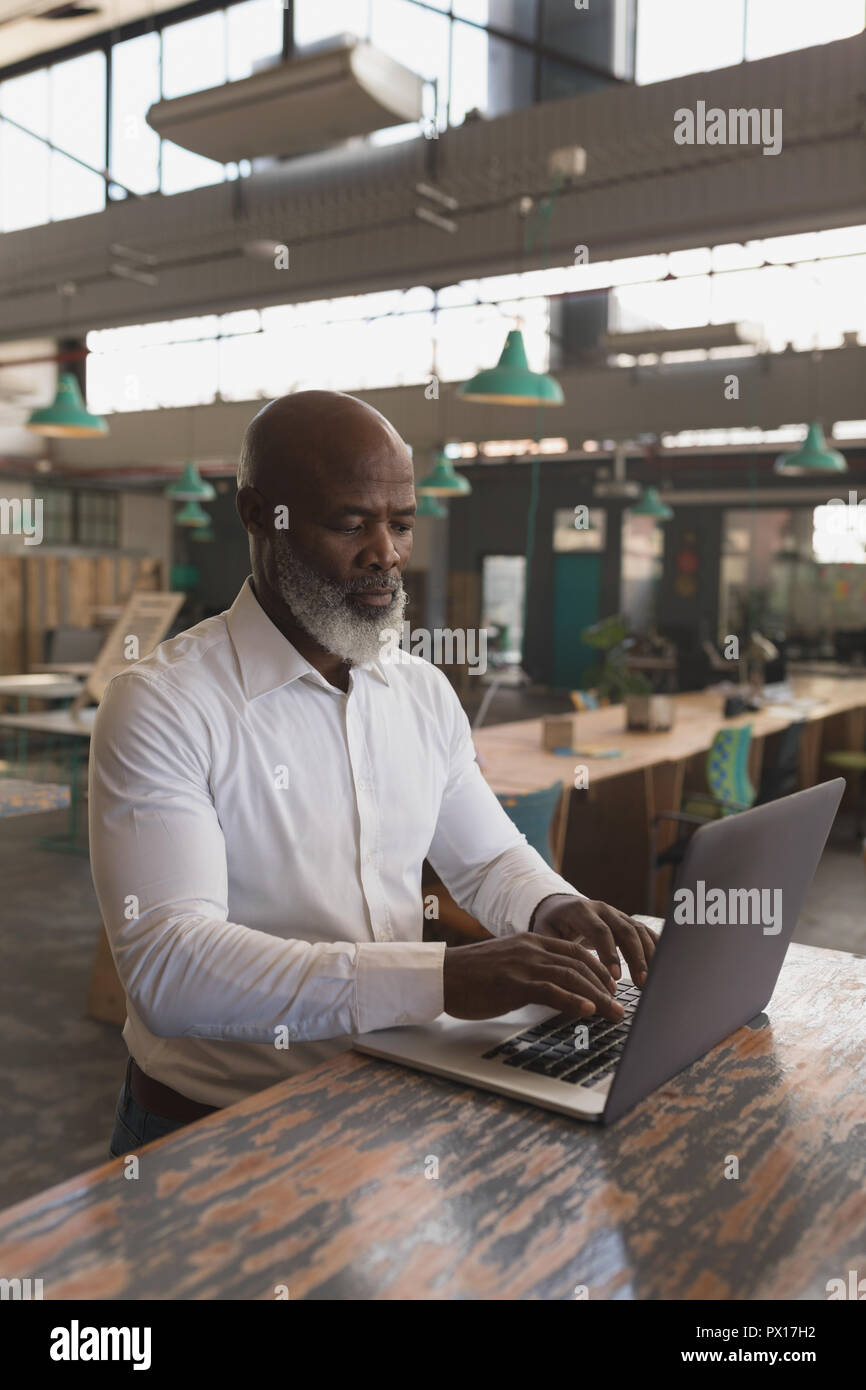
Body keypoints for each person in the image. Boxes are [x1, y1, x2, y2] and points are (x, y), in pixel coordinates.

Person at [90, 390, 657, 1158]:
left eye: (401, 523)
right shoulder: (163, 704)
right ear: (260, 515)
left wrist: (552, 906)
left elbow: (487, 857)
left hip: (385, 1102)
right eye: (350, 522)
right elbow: (169, 966)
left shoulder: (420, 693)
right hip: (212, 1130)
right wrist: (440, 980)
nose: (385, 553)